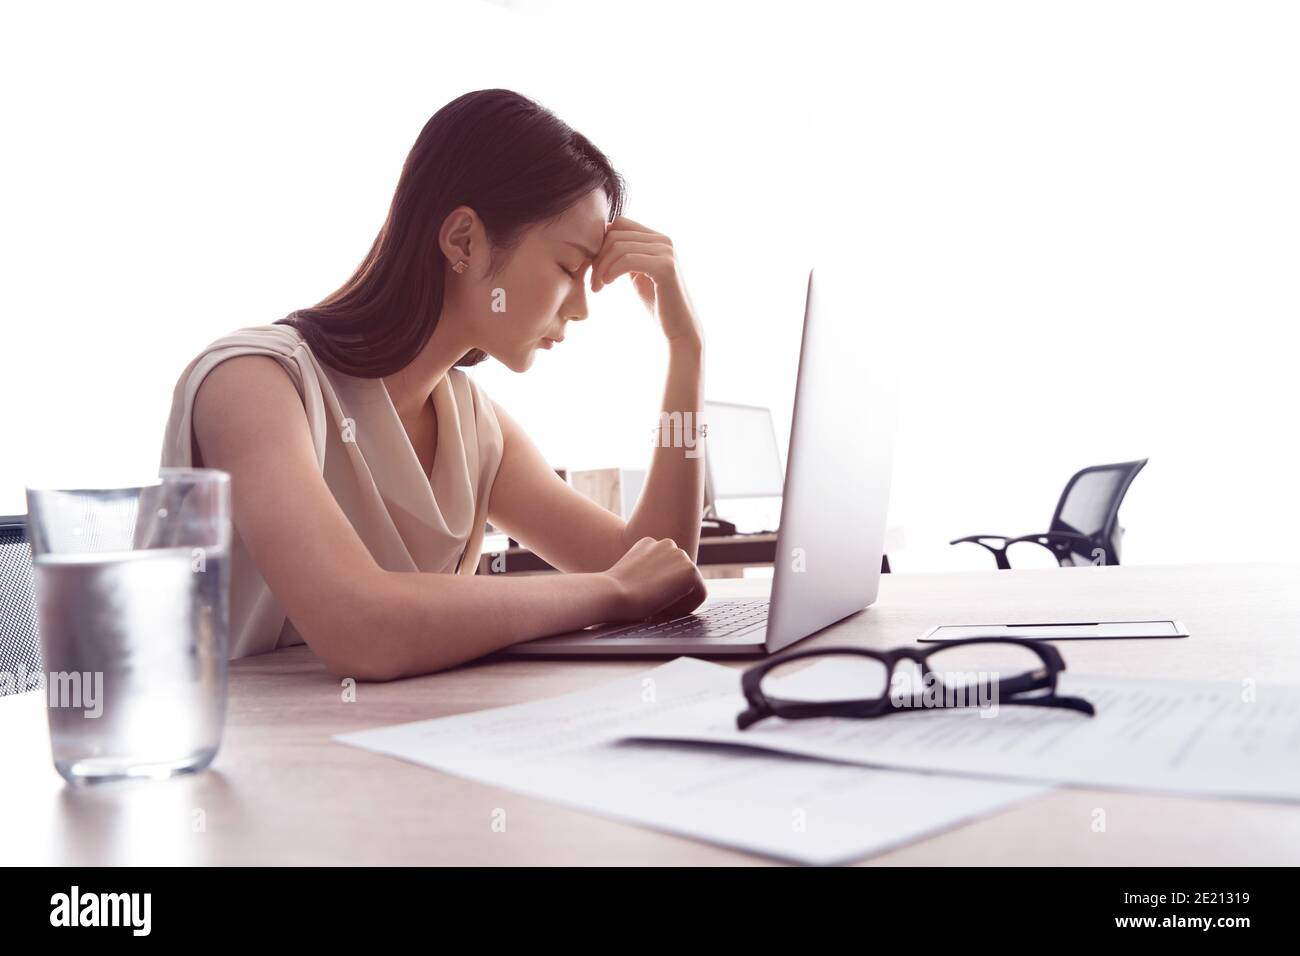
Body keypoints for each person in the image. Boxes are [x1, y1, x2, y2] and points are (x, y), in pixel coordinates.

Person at [158, 89, 707, 679]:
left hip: (394, 746)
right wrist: (611, 592)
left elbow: (661, 577)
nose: (580, 308)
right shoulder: (254, 384)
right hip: (246, 760)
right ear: (463, 242)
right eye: (569, 267)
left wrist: (685, 351)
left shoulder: (474, 425)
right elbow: (360, 627)